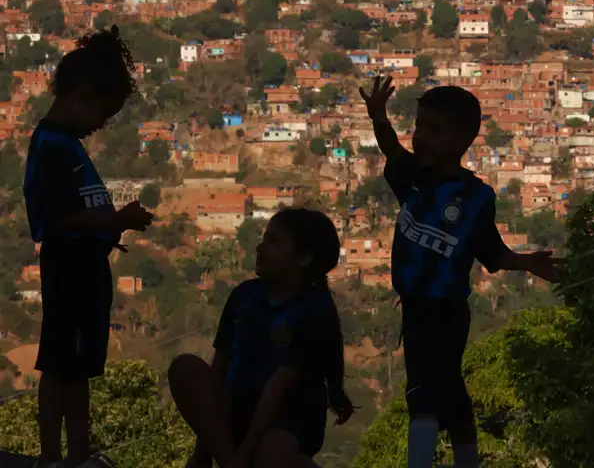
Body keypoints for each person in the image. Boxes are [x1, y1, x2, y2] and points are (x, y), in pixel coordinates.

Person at [359, 76, 565, 468]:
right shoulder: (414, 179)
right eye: (419, 126)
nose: (420, 137)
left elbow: (490, 250)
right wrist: (379, 118)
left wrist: (527, 262)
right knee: (450, 392)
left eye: (433, 129)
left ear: (462, 139)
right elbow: (392, 151)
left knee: (422, 392)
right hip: (417, 307)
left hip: (445, 311)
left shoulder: (475, 198)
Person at [24, 27, 155, 468]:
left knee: (76, 369)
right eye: (103, 112)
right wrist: (119, 220)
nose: (102, 123)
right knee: (62, 366)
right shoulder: (55, 147)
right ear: (81, 97)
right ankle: (55, 455)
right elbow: (64, 216)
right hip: (71, 268)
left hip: (84, 268)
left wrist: (115, 225)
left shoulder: (66, 146)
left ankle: (75, 454)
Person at [168, 208, 354, 468]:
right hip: (237, 406)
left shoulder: (313, 311)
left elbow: (278, 388)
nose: (260, 248)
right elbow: (220, 365)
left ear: (303, 258)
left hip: (289, 420)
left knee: (272, 453)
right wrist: (203, 449)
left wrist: (245, 450)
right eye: (265, 239)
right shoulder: (244, 296)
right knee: (185, 369)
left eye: (273, 242)